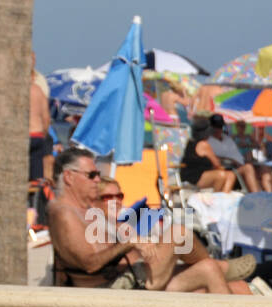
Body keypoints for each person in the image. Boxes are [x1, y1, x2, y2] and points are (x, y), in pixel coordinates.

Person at [47, 147, 233, 292]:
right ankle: (224, 266)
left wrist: (134, 241)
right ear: (69, 177)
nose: (97, 179)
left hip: (128, 277)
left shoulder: (82, 209)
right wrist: (130, 243)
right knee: (178, 233)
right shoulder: (64, 213)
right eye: (91, 175)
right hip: (113, 287)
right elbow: (90, 264)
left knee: (208, 269)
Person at [180, 115, 238, 192]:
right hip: (194, 178)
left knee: (230, 175)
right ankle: (217, 199)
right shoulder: (204, 144)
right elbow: (216, 164)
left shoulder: (191, 143)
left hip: (188, 175)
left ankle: (221, 199)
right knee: (222, 175)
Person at [29, 53, 52, 182]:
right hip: (38, 134)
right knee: (37, 178)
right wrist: (44, 133)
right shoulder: (38, 90)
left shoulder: (16, 91)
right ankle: (37, 200)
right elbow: (46, 116)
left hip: (26, 135)